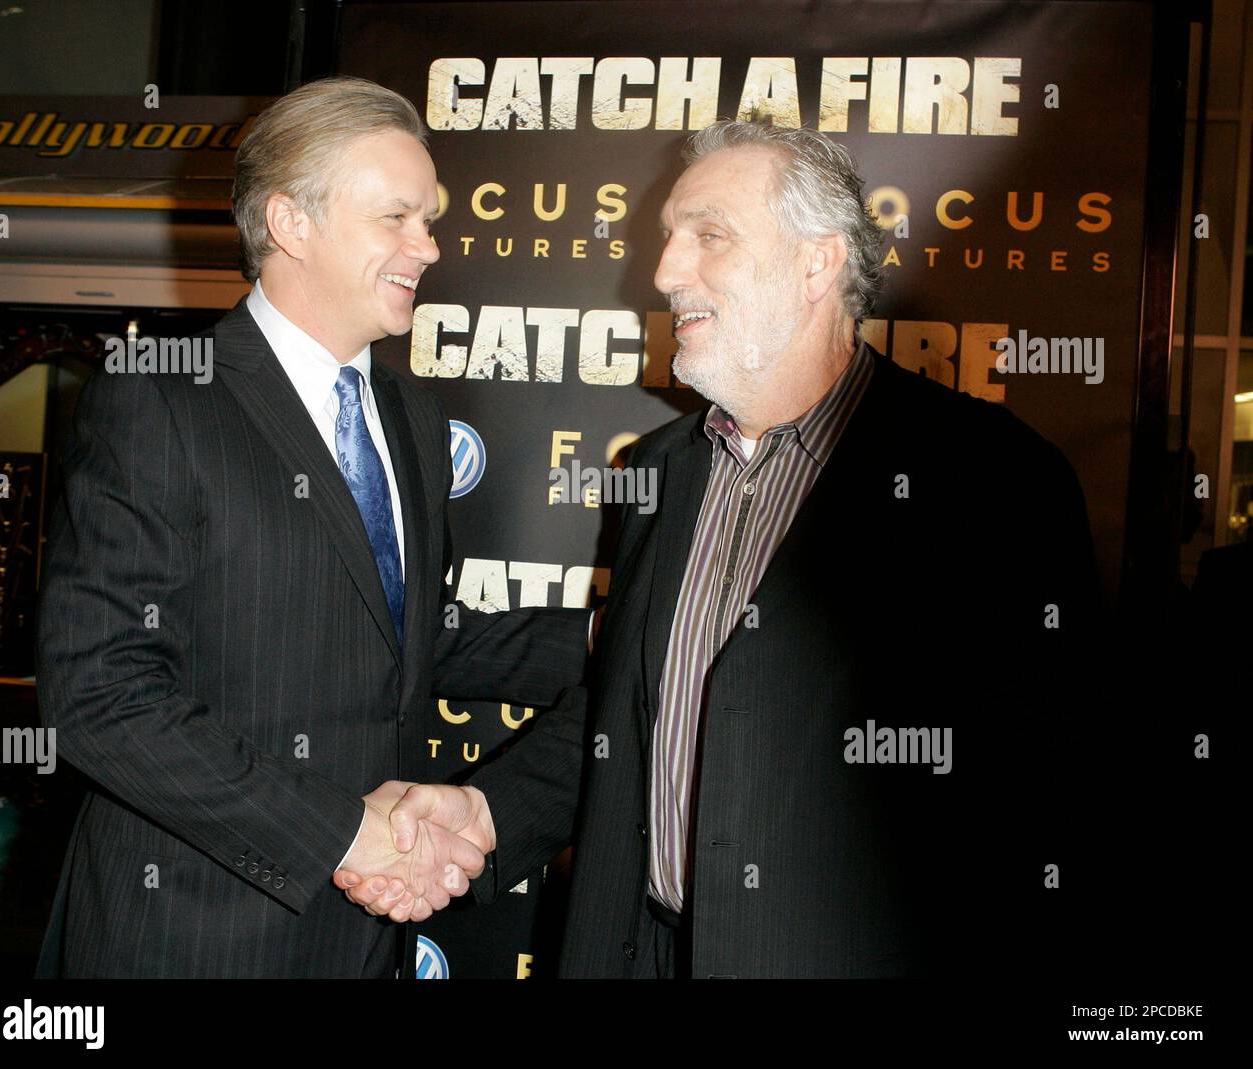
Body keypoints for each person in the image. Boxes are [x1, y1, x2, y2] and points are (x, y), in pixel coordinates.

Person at [340, 117, 1100, 978]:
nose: (664, 271)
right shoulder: (663, 472)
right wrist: (485, 813)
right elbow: (631, 713)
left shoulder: (989, 483)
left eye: (709, 236)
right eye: (670, 237)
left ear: (819, 262)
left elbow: (1054, 798)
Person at [35, 76, 590, 978]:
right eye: (398, 218)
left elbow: (405, 636)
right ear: (291, 223)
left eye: (429, 218)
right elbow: (99, 693)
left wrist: (629, 632)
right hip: (188, 937)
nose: (430, 245)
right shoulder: (162, 398)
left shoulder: (408, 411)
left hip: (366, 942)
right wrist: (341, 835)